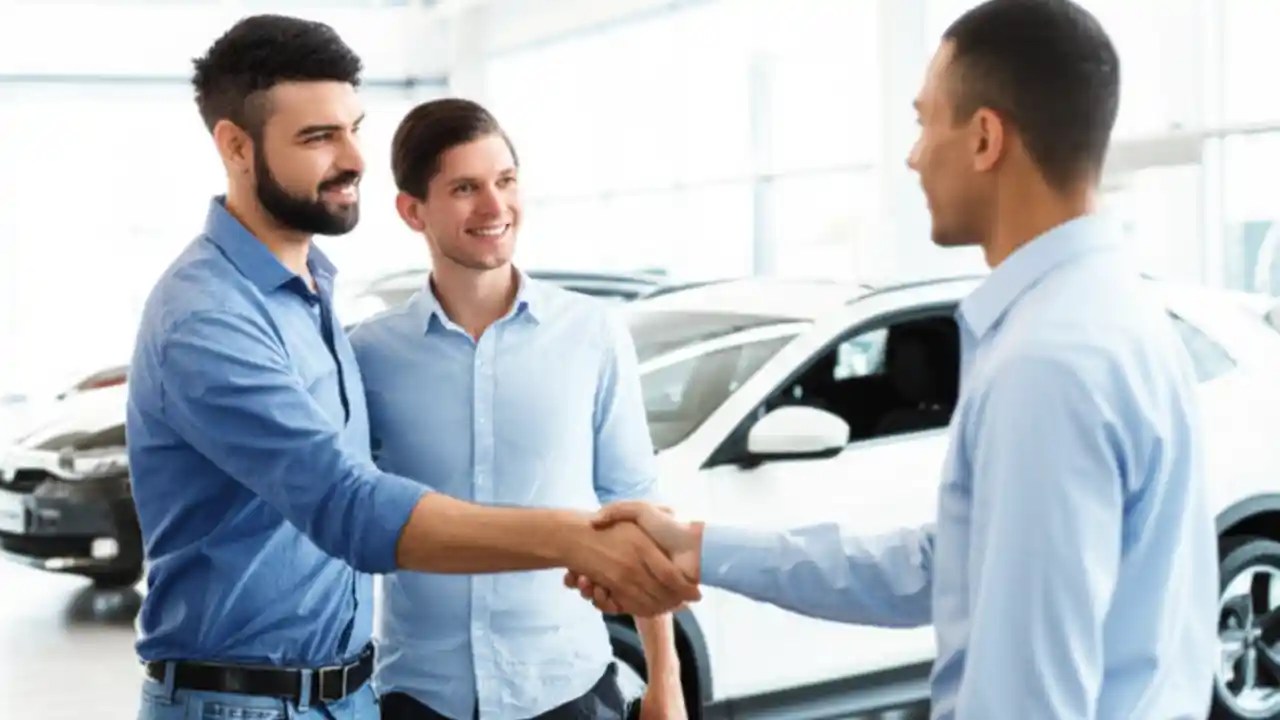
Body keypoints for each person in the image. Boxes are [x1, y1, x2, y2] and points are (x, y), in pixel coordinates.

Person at [568, 1, 1218, 718]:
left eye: (922, 120)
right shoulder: (1113, 314)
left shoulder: (1048, 362)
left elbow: (1029, 699)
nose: (912, 156)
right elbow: (944, 568)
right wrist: (699, 547)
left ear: (983, 138)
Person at [126, 15, 697, 720]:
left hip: (354, 694)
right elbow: (348, 506)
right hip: (253, 704)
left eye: (353, 128)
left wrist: (662, 675)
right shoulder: (211, 316)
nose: (355, 158)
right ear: (236, 147)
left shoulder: (309, 302)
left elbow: (631, 489)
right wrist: (572, 538)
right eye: (318, 137)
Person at [347, 98, 686, 720]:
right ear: (412, 210)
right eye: (465, 188)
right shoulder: (369, 354)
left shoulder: (592, 332)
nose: (495, 206)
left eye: (505, 181)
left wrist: (666, 681)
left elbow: (634, 505)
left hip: (566, 687)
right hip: (419, 695)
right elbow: (344, 518)